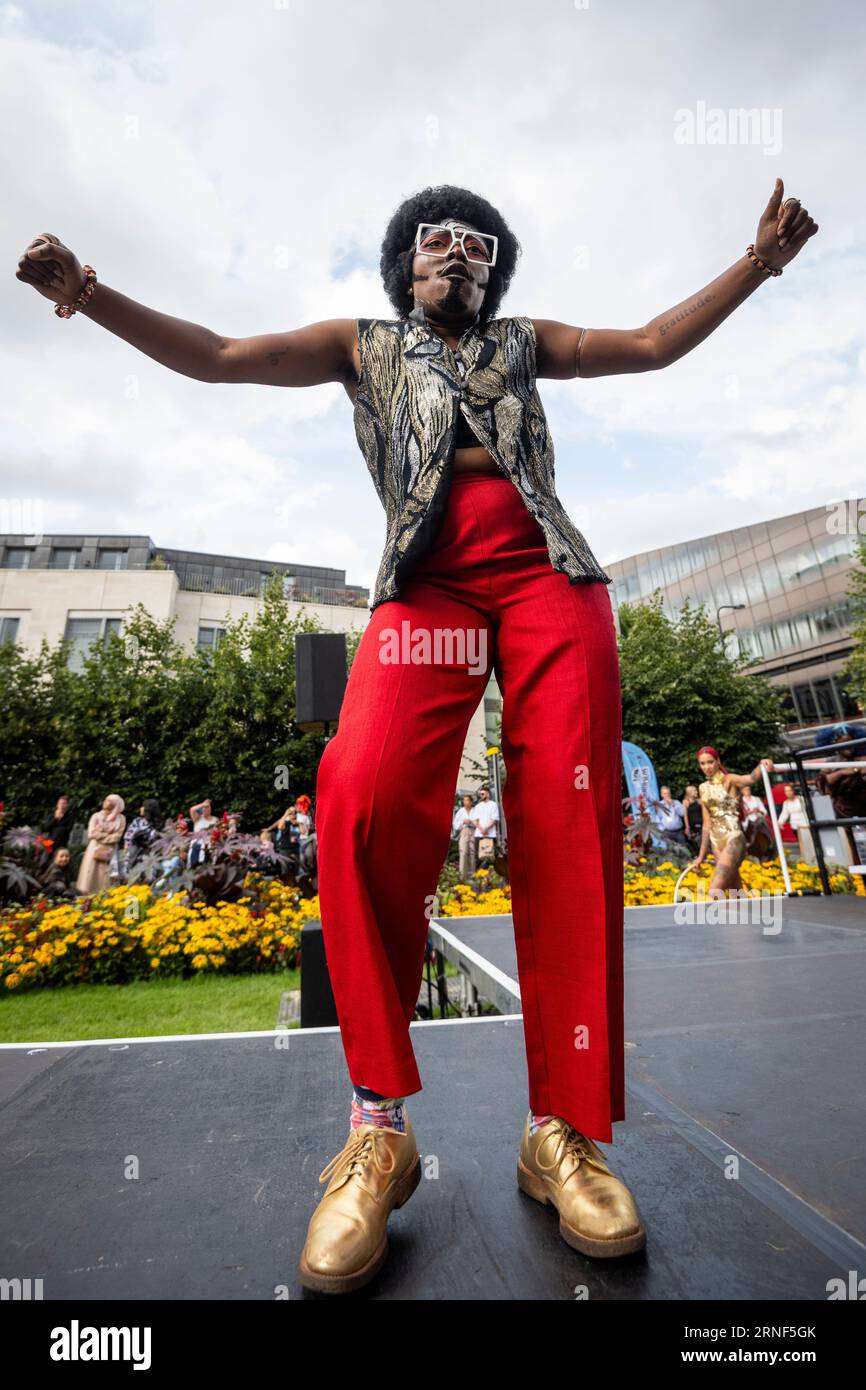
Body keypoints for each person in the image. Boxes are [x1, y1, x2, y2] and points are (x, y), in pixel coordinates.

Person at [16, 177, 819, 1291]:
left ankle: (562, 1132)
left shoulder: (523, 344)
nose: (461, 255)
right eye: (440, 242)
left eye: (481, 247)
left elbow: (645, 343)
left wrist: (757, 264)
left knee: (567, 821)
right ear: (405, 262)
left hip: (548, 579)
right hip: (427, 589)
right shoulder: (364, 345)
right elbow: (217, 354)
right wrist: (88, 294)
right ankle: (378, 1128)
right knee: (360, 794)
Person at [692, 748, 774, 896]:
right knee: (735, 891)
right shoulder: (702, 788)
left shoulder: (729, 779)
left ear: (718, 762)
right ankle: (748, 917)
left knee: (714, 891)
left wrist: (762, 765)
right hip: (715, 842)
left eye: (710, 762)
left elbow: (750, 778)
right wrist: (701, 855)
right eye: (702, 763)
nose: (707, 767)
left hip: (733, 838)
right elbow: (706, 824)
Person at [813, 724, 866, 865]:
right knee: (859, 854)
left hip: (863, 808)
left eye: (850, 740)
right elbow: (821, 783)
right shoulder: (830, 763)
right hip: (846, 815)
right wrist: (842, 772)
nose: (848, 745)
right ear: (835, 744)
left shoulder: (861, 758)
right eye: (843, 742)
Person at [76, 794, 126, 896]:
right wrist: (108, 837)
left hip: (110, 852)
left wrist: (101, 836)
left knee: (105, 878)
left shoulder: (121, 819)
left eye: (108, 800)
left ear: (115, 804)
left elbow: (117, 837)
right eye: (105, 799)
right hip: (94, 849)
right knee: (90, 876)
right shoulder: (96, 816)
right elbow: (91, 833)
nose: (104, 802)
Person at [124, 798, 163, 881]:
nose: (141, 808)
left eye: (143, 806)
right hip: (133, 854)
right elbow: (128, 837)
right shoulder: (137, 821)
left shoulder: (159, 825)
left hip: (149, 857)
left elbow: (157, 843)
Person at [776, 783, 814, 864]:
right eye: (785, 791)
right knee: (800, 843)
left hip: (805, 824)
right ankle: (804, 858)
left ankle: (812, 857)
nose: (787, 793)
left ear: (793, 791)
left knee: (808, 841)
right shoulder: (786, 803)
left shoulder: (801, 799)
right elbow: (784, 813)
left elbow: (808, 810)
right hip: (794, 826)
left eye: (789, 790)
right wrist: (779, 823)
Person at [452, 794, 479, 880]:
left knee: (472, 854)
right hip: (464, 831)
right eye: (464, 800)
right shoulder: (460, 811)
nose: (465, 802)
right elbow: (455, 824)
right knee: (463, 853)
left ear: (471, 802)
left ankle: (472, 877)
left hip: (474, 832)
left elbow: (480, 821)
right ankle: (462, 877)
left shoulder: (475, 810)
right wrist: (463, 821)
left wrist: (472, 822)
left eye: (467, 800)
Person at [471, 785, 499, 863]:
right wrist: (481, 829)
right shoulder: (478, 806)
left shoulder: (493, 805)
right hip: (479, 835)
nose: (481, 796)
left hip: (490, 835)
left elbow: (494, 820)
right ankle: (476, 874)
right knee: (478, 857)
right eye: (480, 794)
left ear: (488, 794)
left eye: (483, 794)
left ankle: (488, 874)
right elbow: (474, 820)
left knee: (490, 857)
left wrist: (486, 829)